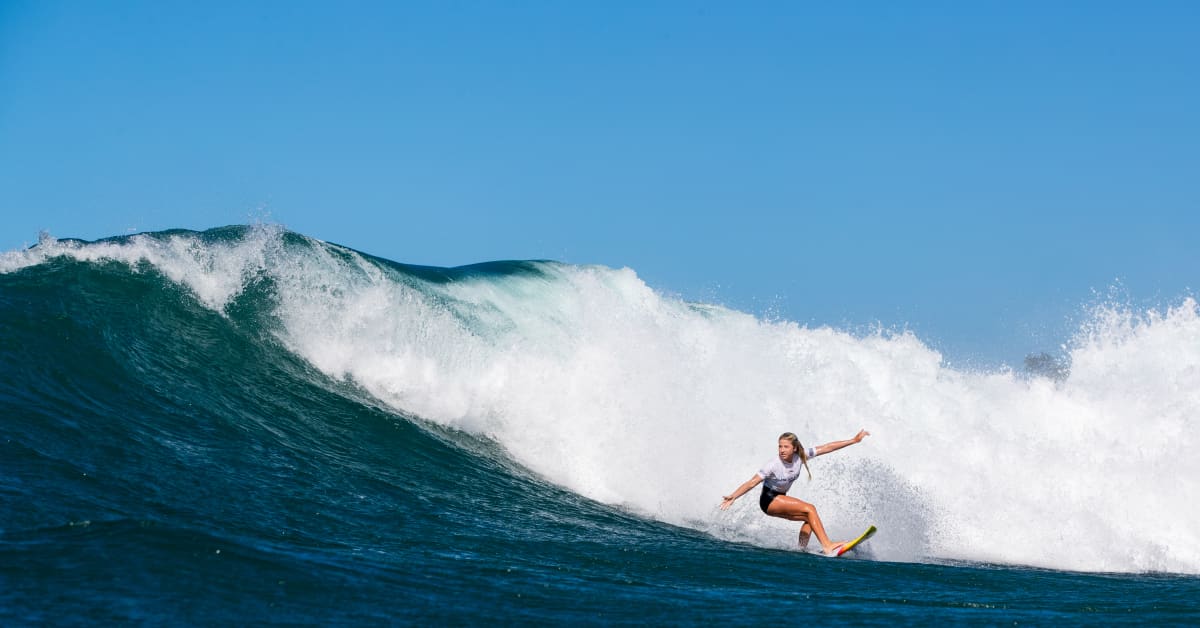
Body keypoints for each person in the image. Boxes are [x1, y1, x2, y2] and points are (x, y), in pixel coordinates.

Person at [719, 429, 870, 555]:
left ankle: (801, 549)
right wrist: (734, 496)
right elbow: (752, 482)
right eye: (780, 446)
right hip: (769, 500)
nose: (782, 450)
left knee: (811, 520)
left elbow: (826, 448)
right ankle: (827, 545)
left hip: (780, 499)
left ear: (794, 448)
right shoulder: (773, 464)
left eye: (785, 447)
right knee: (810, 509)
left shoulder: (800, 456)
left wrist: (853, 440)